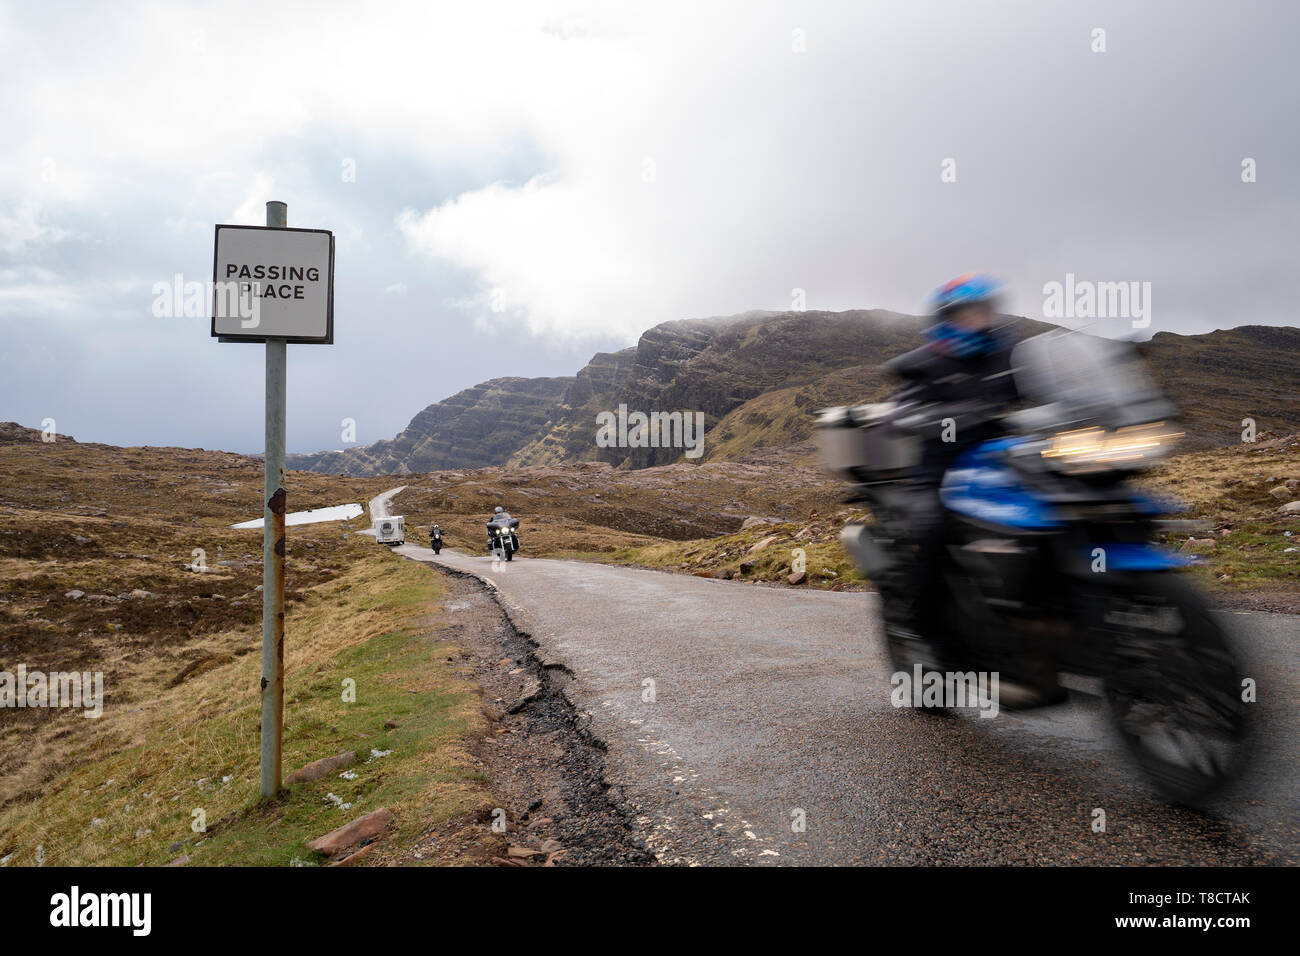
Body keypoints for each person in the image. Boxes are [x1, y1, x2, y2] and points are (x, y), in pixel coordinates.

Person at [880, 273, 1019, 663]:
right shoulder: (924, 365)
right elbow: (899, 416)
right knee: (936, 529)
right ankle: (924, 631)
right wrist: (941, 419)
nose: (979, 319)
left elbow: (1051, 388)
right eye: (969, 312)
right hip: (942, 475)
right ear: (949, 317)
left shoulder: (1008, 356)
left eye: (984, 310)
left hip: (1004, 466)